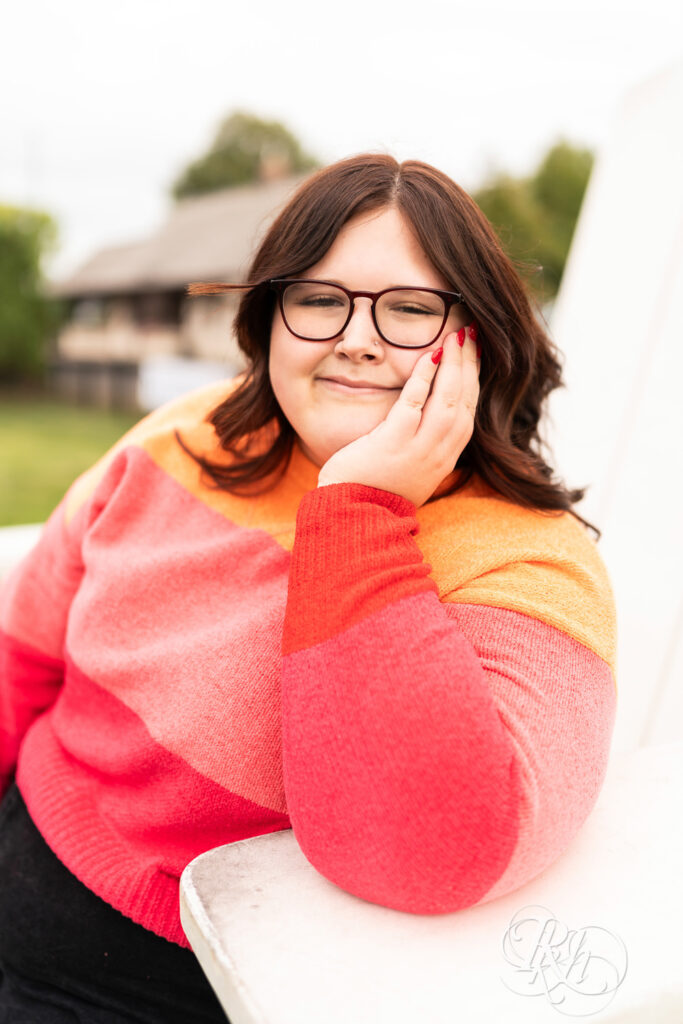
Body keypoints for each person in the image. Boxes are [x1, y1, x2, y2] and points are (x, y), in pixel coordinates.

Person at [0, 153, 617, 1022]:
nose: (356, 338)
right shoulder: (184, 436)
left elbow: (438, 847)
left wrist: (361, 512)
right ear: (269, 319)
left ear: (477, 338)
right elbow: (22, 653)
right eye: (319, 300)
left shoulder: (530, 562)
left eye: (409, 309)